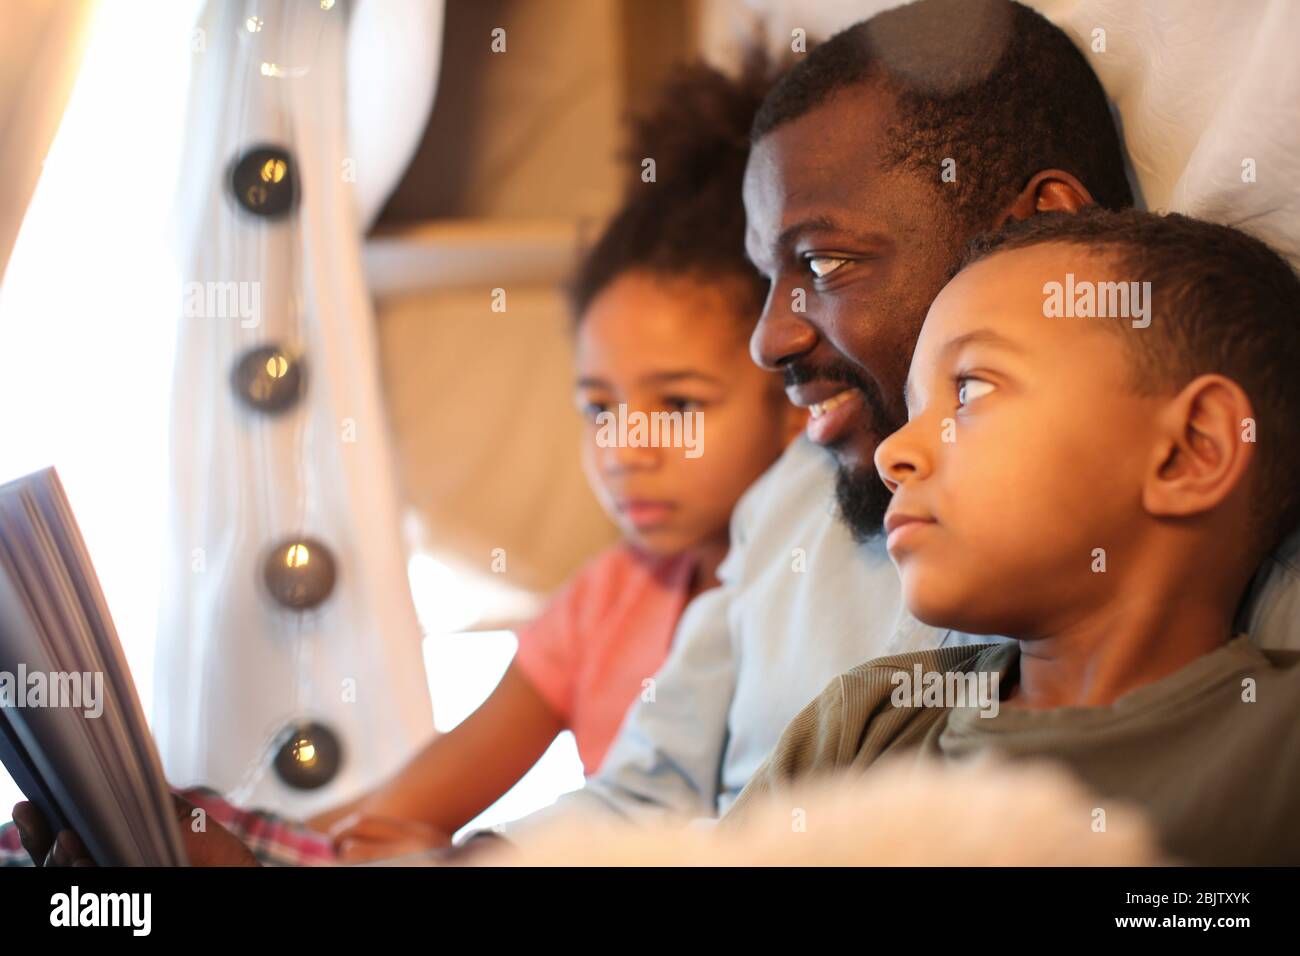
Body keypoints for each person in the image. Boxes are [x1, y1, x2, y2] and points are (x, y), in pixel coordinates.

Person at [4, 60, 802, 867]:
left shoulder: (802, 599)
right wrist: (223, 833)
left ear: (792, 397)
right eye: (598, 408)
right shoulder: (603, 605)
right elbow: (401, 809)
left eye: (679, 406)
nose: (625, 449)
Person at [490, 0, 1147, 842]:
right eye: (768, 275)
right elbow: (638, 800)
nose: (768, 339)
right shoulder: (788, 504)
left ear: (1044, 230)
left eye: (827, 263)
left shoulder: (1171, 497)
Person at [721, 209, 1300, 865]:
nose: (894, 452)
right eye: (913, 412)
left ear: (1190, 450)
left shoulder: (1279, 743)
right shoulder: (868, 721)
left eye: (968, 389)